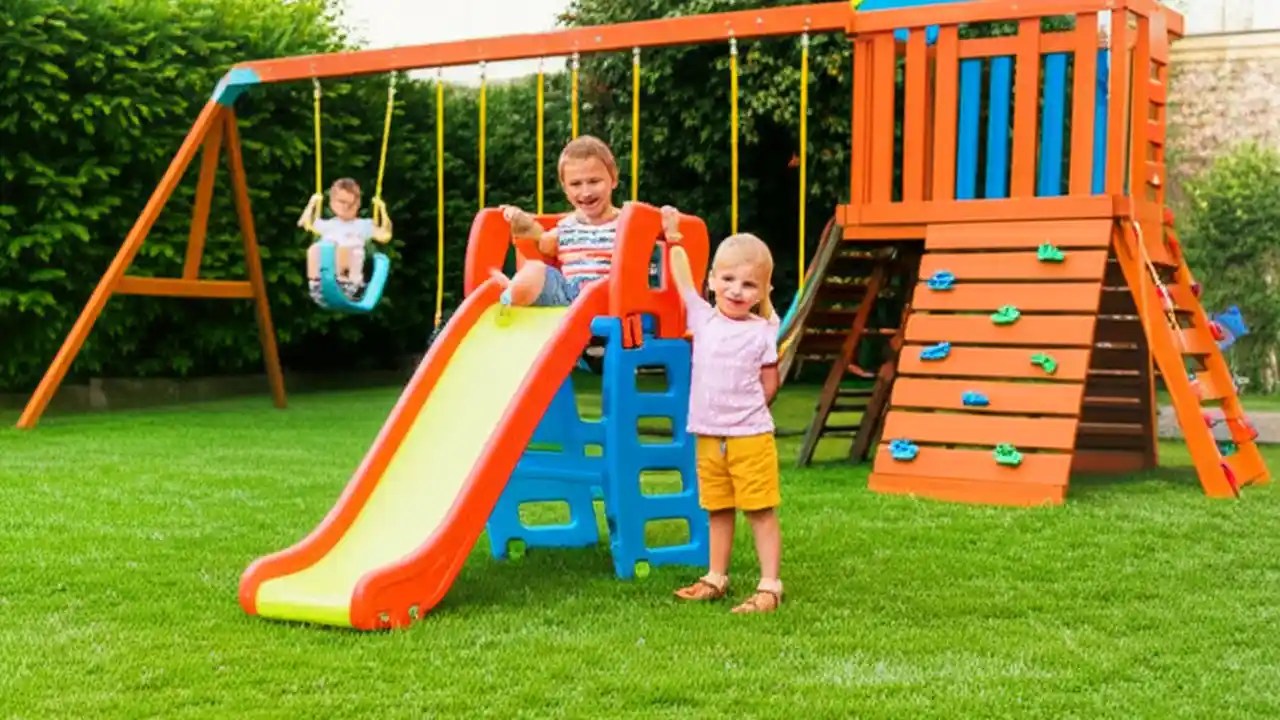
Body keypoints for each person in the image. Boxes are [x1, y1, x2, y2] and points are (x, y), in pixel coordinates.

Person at [662, 206, 784, 614]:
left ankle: (769, 585)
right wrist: (673, 237)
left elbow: (770, 383)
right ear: (712, 279)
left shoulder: (763, 331)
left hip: (749, 437)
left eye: (749, 284)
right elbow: (680, 277)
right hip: (709, 435)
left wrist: (745, 413)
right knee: (718, 508)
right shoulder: (703, 317)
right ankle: (717, 576)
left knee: (760, 510)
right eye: (728, 279)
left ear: (763, 292)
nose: (736, 290)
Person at [492, 135, 620, 308]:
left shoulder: (626, 223)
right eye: (575, 184)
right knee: (535, 269)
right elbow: (544, 241)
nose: (586, 192)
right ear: (565, 188)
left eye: (594, 181)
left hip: (611, 297)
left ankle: (513, 292)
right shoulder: (566, 226)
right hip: (567, 295)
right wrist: (524, 223)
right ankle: (509, 296)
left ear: (613, 178)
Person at [298, 178, 392, 304]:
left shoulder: (363, 225)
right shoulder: (328, 225)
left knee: (343, 250)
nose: (346, 207)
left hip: (350, 287)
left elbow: (385, 236)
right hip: (322, 289)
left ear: (358, 204)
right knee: (315, 249)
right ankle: (316, 283)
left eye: (352, 203)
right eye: (341, 202)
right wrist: (312, 204)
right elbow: (304, 223)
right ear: (332, 203)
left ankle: (342, 280)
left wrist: (383, 210)